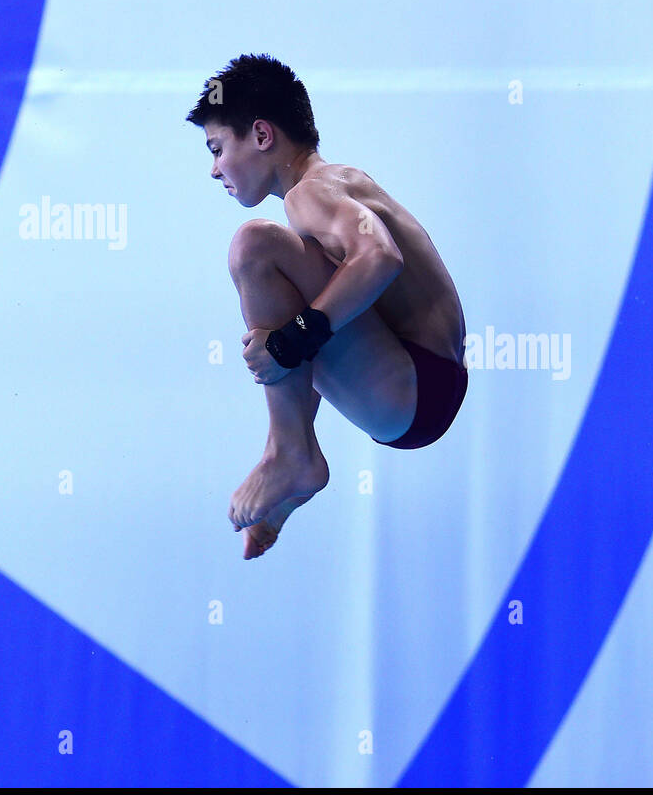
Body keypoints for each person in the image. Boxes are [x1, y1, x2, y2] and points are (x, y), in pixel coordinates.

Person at [186, 54, 468, 559]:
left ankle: (291, 455)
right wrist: (292, 342)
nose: (214, 170)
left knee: (253, 246)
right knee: (291, 299)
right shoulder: (336, 186)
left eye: (217, 148)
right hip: (425, 385)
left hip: (415, 386)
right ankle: (291, 455)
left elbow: (380, 257)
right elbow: (332, 320)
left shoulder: (309, 194)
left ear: (262, 135)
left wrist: (290, 340)